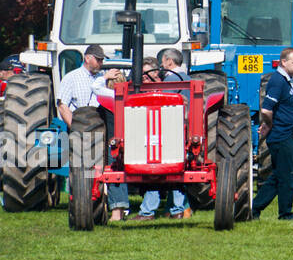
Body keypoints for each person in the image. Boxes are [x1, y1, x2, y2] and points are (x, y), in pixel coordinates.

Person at [56, 45, 129, 221]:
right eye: (98, 59)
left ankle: (116, 207)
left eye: (102, 59)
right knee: (87, 169)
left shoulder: (101, 79)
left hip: (105, 126)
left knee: (113, 163)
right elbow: (62, 105)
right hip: (84, 128)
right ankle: (86, 205)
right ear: (87, 58)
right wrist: (76, 128)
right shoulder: (72, 77)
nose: (101, 62)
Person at [137, 50, 192, 220]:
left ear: (169, 61)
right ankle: (177, 210)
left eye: (162, 61)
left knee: (155, 172)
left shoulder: (171, 79)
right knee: (176, 171)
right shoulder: (188, 79)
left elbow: (158, 102)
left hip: (166, 129)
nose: (161, 65)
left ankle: (148, 211)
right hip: (182, 129)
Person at [252, 48, 293, 221]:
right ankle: (286, 214)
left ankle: (253, 209)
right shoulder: (278, 81)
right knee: (288, 177)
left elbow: (284, 106)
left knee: (278, 177)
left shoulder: (287, 81)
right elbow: (266, 108)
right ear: (283, 62)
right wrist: (269, 124)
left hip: (286, 134)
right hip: (281, 136)